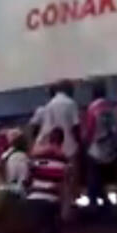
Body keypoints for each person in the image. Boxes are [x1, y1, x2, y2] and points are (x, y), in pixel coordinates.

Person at [28, 128, 70, 233]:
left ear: (49, 139)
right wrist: (66, 209)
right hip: (51, 203)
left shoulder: (37, 157)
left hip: (33, 202)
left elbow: (29, 177)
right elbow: (63, 186)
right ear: (61, 141)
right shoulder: (64, 159)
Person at [30, 80, 81, 217]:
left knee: (53, 181)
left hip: (52, 146)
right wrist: (80, 143)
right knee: (68, 182)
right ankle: (66, 212)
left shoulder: (49, 105)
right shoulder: (70, 103)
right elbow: (76, 127)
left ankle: (54, 210)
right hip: (68, 148)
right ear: (68, 90)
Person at [83, 80, 117, 215]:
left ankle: (94, 204)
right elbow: (114, 128)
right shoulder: (109, 107)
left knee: (92, 177)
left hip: (96, 149)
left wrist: (86, 143)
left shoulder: (93, 108)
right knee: (99, 178)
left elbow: (90, 129)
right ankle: (105, 203)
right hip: (108, 148)